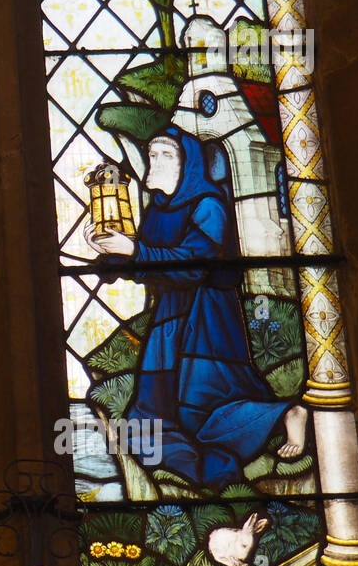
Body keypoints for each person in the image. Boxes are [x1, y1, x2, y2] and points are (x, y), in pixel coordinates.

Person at [85, 129, 306, 489]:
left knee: (201, 408)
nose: (152, 163)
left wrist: (134, 252)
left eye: (163, 156)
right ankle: (195, 477)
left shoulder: (208, 205)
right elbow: (150, 265)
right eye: (151, 154)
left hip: (205, 321)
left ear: (187, 165)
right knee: (149, 417)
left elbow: (193, 264)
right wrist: (110, 255)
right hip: (169, 321)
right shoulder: (158, 209)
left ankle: (286, 413)